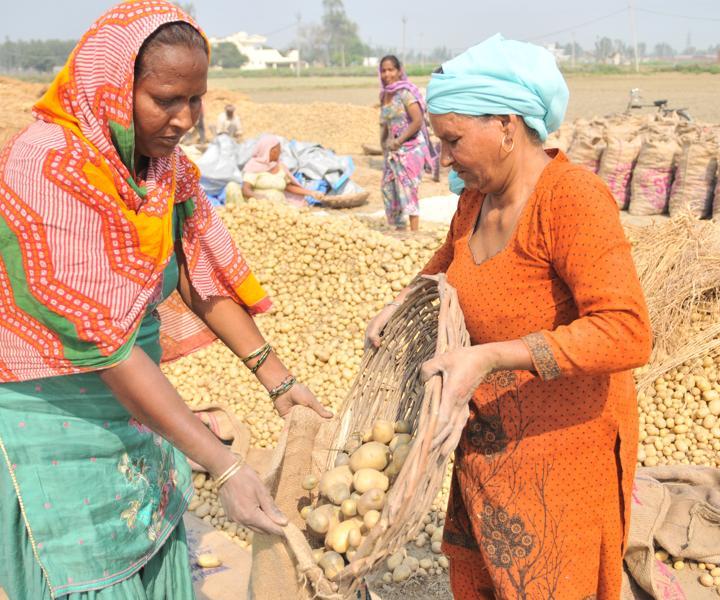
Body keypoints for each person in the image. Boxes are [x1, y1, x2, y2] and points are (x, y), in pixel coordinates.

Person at [0, 3, 330, 598]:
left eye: (196, 99)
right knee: (88, 571)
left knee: (151, 549)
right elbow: (105, 342)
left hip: (137, 409)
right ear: (113, 88)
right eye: (166, 99)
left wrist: (280, 383)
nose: (184, 120)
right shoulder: (48, 167)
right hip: (56, 423)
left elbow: (197, 272)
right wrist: (225, 466)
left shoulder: (160, 167)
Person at [366, 34, 652, 599]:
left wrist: (493, 356)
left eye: (452, 141)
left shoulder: (570, 199)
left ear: (506, 125)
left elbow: (626, 331)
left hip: (561, 457)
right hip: (484, 447)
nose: (444, 159)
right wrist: (401, 302)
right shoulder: (475, 199)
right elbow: (446, 262)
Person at [379, 55, 436, 232]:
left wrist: (399, 140)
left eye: (391, 70)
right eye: (383, 70)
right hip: (392, 151)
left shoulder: (406, 93)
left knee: (408, 189)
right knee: (388, 189)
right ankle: (399, 228)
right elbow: (386, 123)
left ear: (399, 71)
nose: (387, 74)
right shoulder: (384, 95)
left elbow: (417, 121)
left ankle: (414, 233)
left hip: (410, 149)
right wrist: (384, 143)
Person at [227, 134, 324, 206]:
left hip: (280, 207)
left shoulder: (281, 167)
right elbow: (245, 190)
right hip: (259, 207)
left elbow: (289, 187)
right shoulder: (254, 166)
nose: (279, 152)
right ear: (267, 151)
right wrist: (259, 197)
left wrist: (311, 193)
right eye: (276, 149)